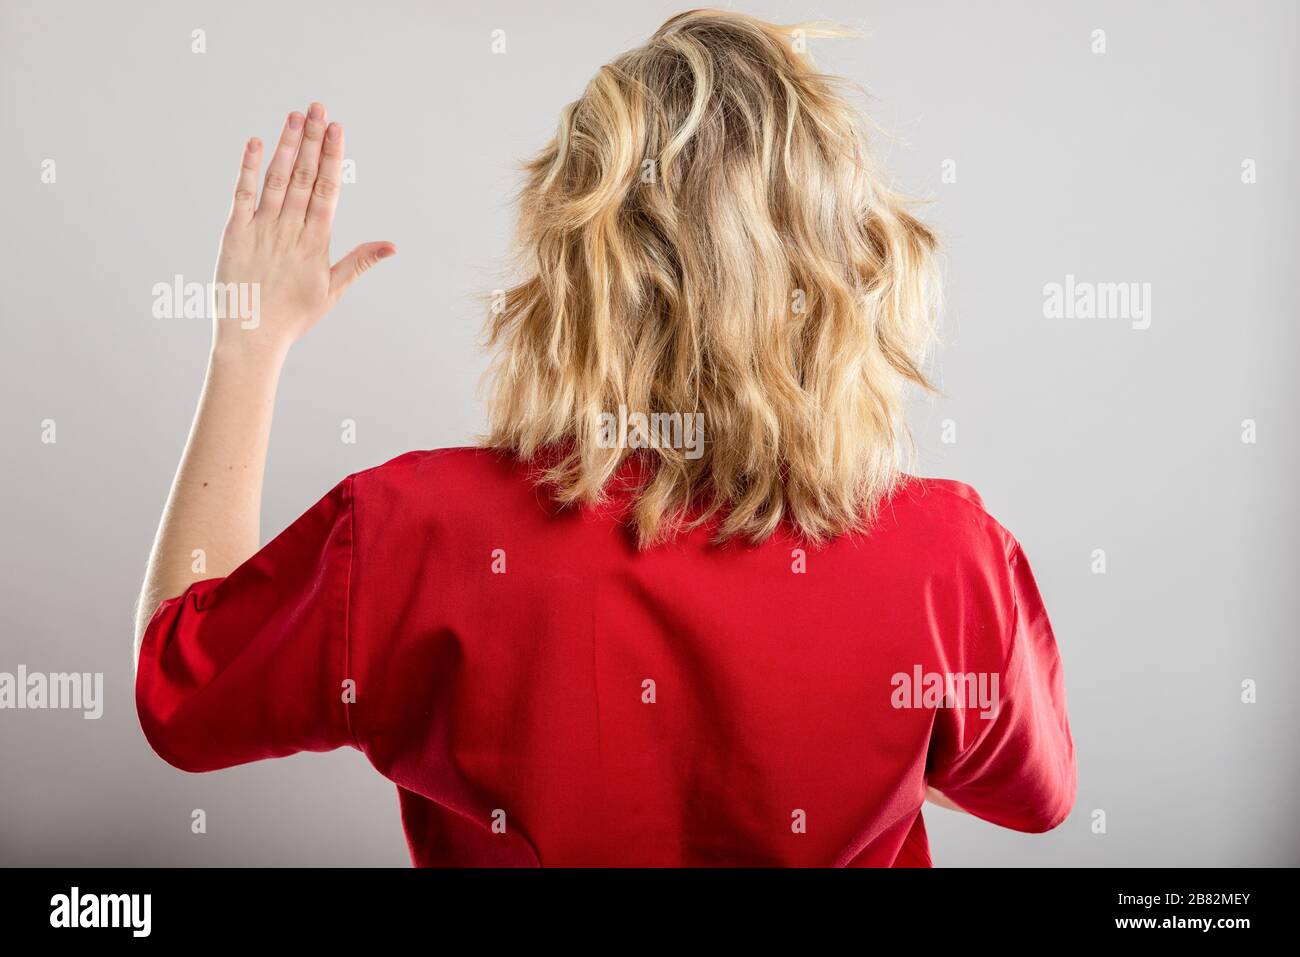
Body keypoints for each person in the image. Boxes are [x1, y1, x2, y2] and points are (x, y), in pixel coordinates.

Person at [134, 9, 1074, 866]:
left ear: (572, 255)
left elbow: (179, 693)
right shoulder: (949, 560)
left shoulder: (411, 530)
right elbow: (1036, 799)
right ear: (848, 260)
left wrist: (248, 344)